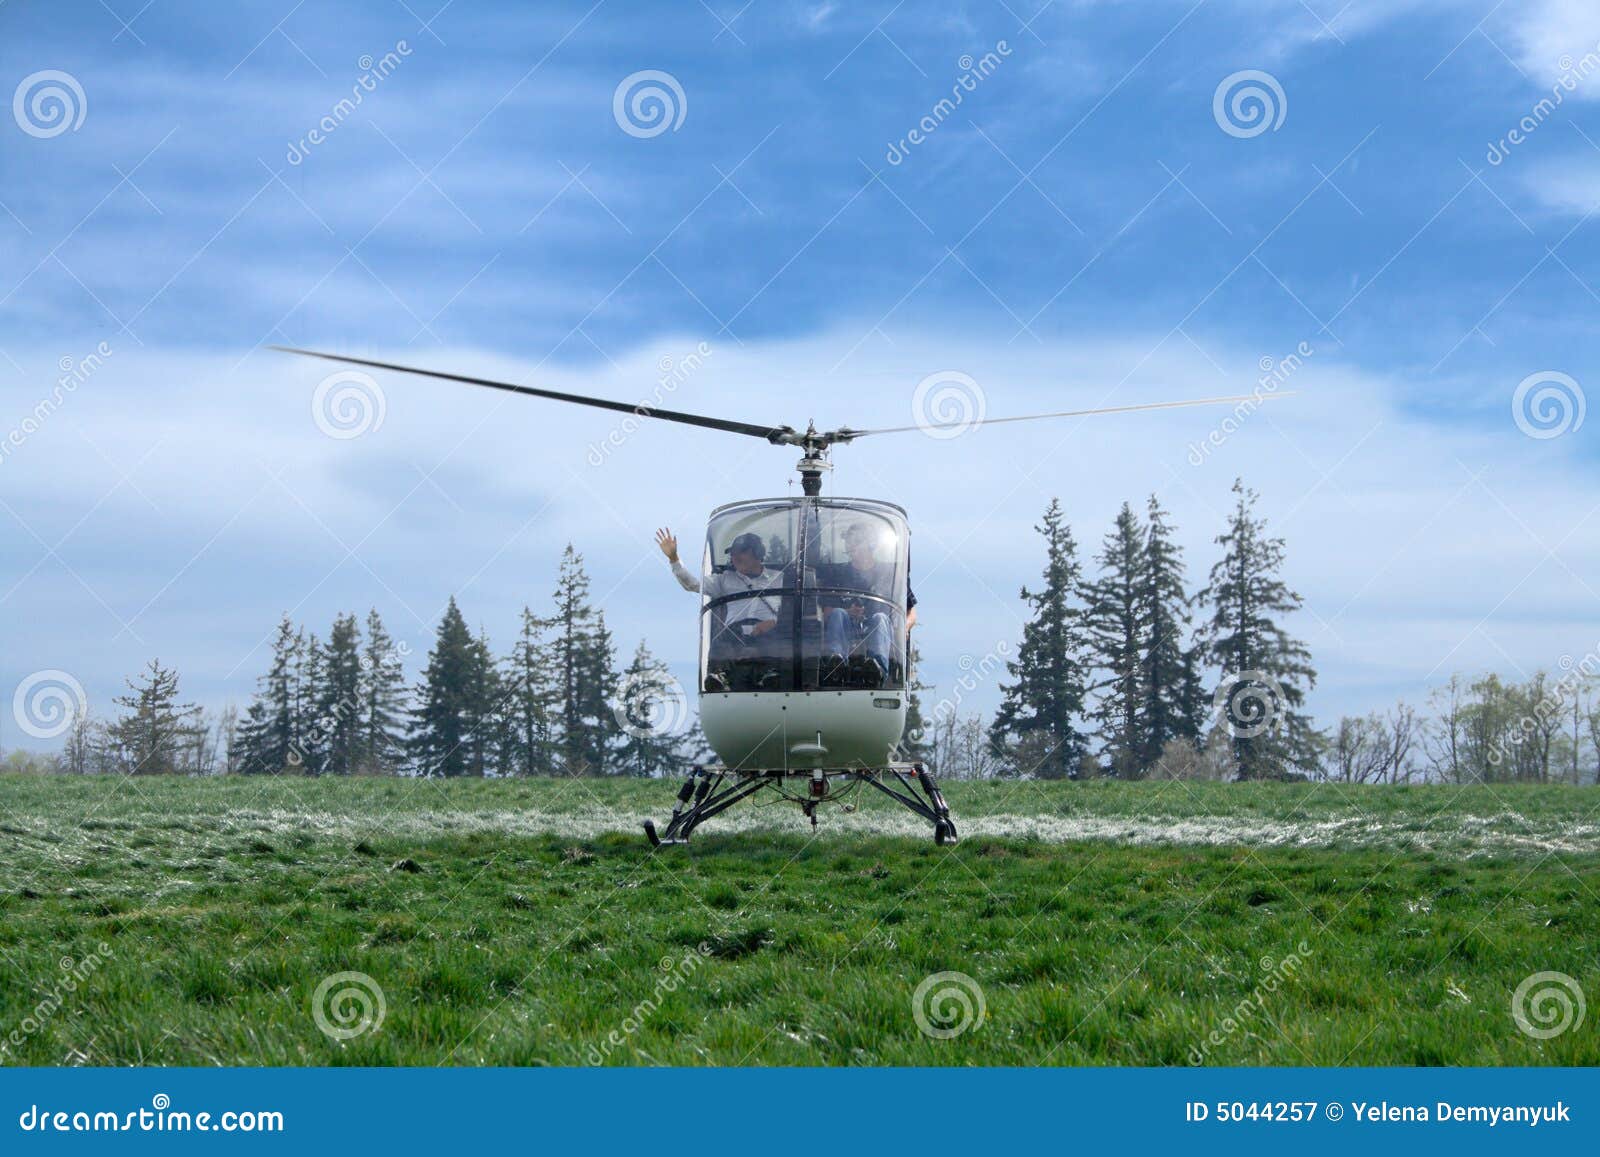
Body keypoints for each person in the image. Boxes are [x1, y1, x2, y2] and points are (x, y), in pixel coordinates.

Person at [656, 528, 784, 677]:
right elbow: (692, 584)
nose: (735, 557)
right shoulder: (724, 580)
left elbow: (792, 610)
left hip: (769, 632)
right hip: (734, 634)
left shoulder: (780, 579)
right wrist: (674, 558)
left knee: (777, 640)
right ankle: (718, 676)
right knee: (720, 641)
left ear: (757, 553)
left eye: (741, 552)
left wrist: (775, 623)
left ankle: (771, 674)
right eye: (733, 554)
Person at [823, 522, 916, 685]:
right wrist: (847, 611)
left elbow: (910, 612)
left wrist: (904, 629)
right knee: (838, 613)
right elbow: (826, 611)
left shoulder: (890, 573)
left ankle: (877, 668)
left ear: (870, 543)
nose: (850, 546)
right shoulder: (838, 573)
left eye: (856, 541)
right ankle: (836, 663)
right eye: (848, 541)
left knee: (880, 618)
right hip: (848, 627)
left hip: (878, 630)